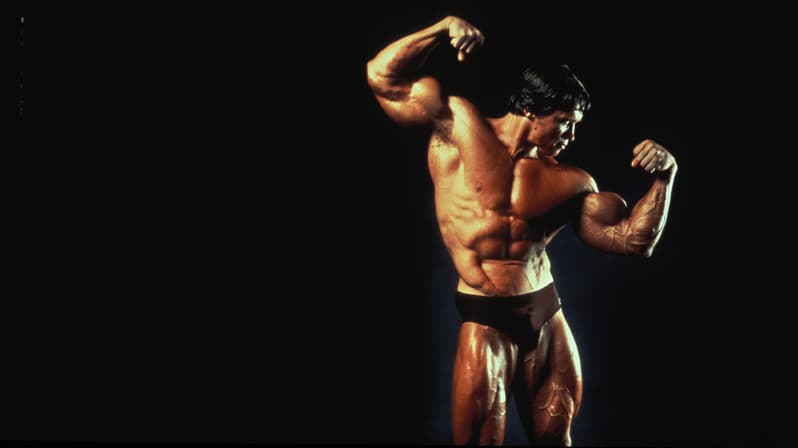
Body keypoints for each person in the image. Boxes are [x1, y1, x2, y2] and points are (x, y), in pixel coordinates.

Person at [366, 16, 677, 446]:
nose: (571, 135)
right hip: (485, 317)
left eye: (575, 124)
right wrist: (441, 29)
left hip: (546, 313)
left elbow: (633, 241)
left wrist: (665, 177)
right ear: (532, 110)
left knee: (555, 439)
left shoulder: (569, 181)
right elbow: (382, 78)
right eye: (565, 121)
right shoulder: (456, 127)